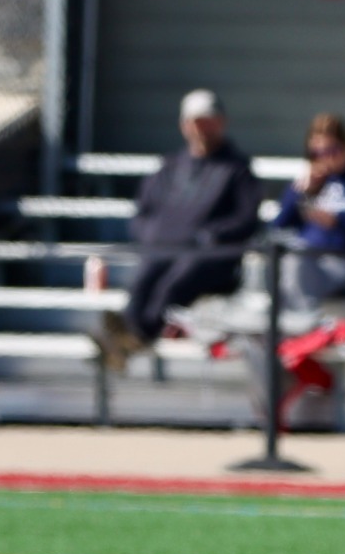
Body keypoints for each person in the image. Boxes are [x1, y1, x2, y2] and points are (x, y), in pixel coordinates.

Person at [100, 90, 262, 369]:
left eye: (209, 121)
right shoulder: (171, 166)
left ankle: (133, 338)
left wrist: (209, 236)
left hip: (210, 258)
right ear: (184, 125)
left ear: (221, 122)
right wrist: (149, 234)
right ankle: (124, 339)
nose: (202, 128)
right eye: (196, 121)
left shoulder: (237, 169)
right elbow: (143, 212)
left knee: (173, 283)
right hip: (164, 248)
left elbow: (246, 219)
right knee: (142, 281)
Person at [272, 114, 345, 311]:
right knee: (282, 259)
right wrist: (300, 192)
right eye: (317, 152)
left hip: (342, 260)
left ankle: (300, 327)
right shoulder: (307, 183)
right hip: (304, 257)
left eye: (332, 150)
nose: (325, 158)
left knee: (296, 264)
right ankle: (287, 328)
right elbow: (278, 224)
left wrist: (337, 221)